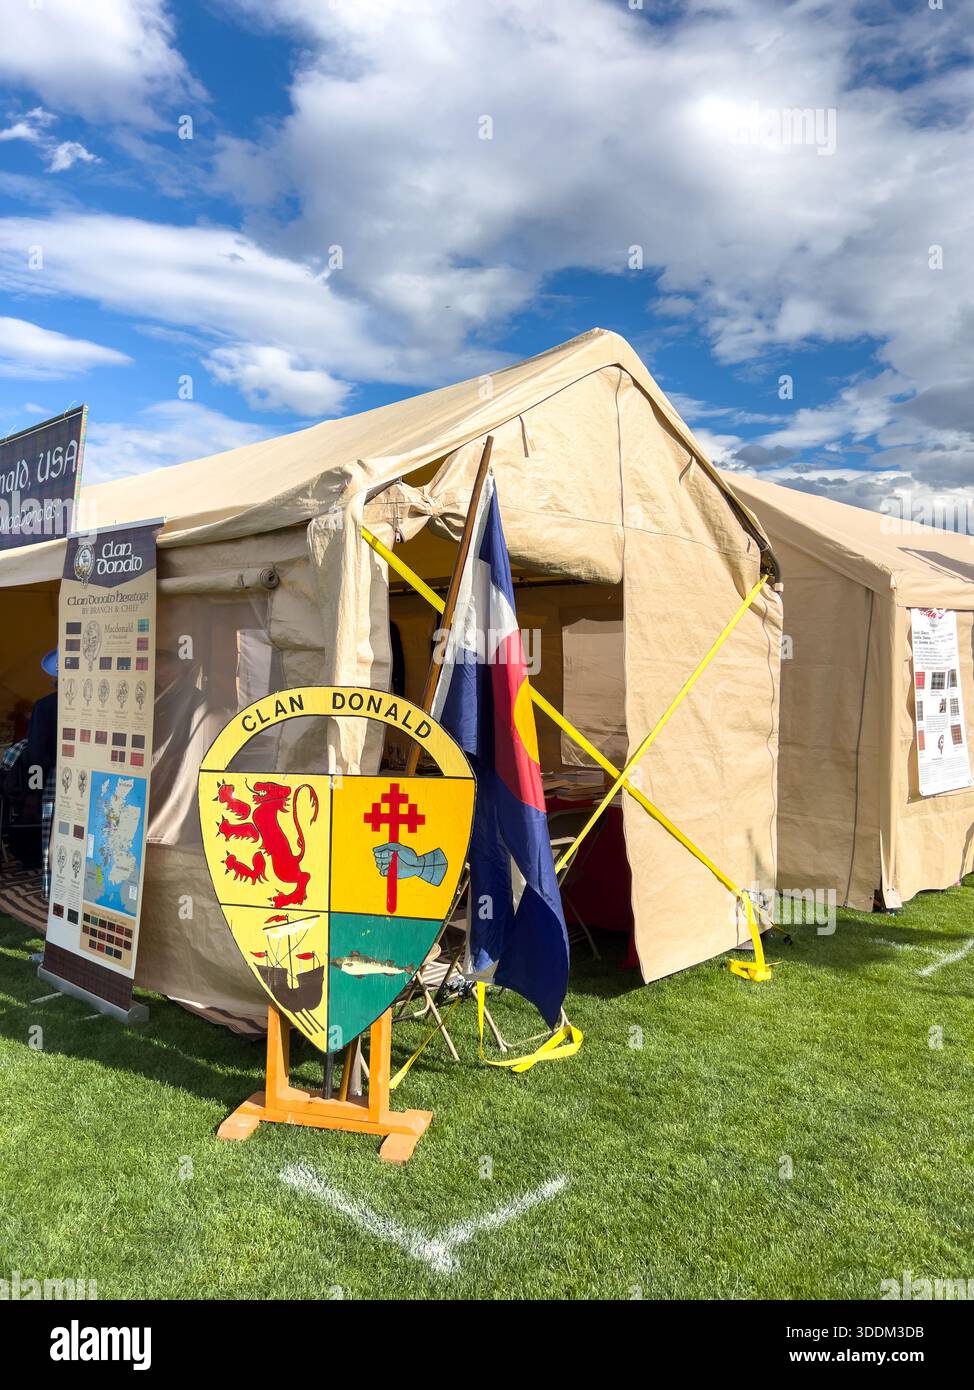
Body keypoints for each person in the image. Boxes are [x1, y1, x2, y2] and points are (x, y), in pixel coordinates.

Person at [25, 648, 58, 895]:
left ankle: (51, 888)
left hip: (53, 779)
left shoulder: (44, 706)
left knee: (52, 838)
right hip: (88, 777)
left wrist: (34, 790)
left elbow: (36, 752)